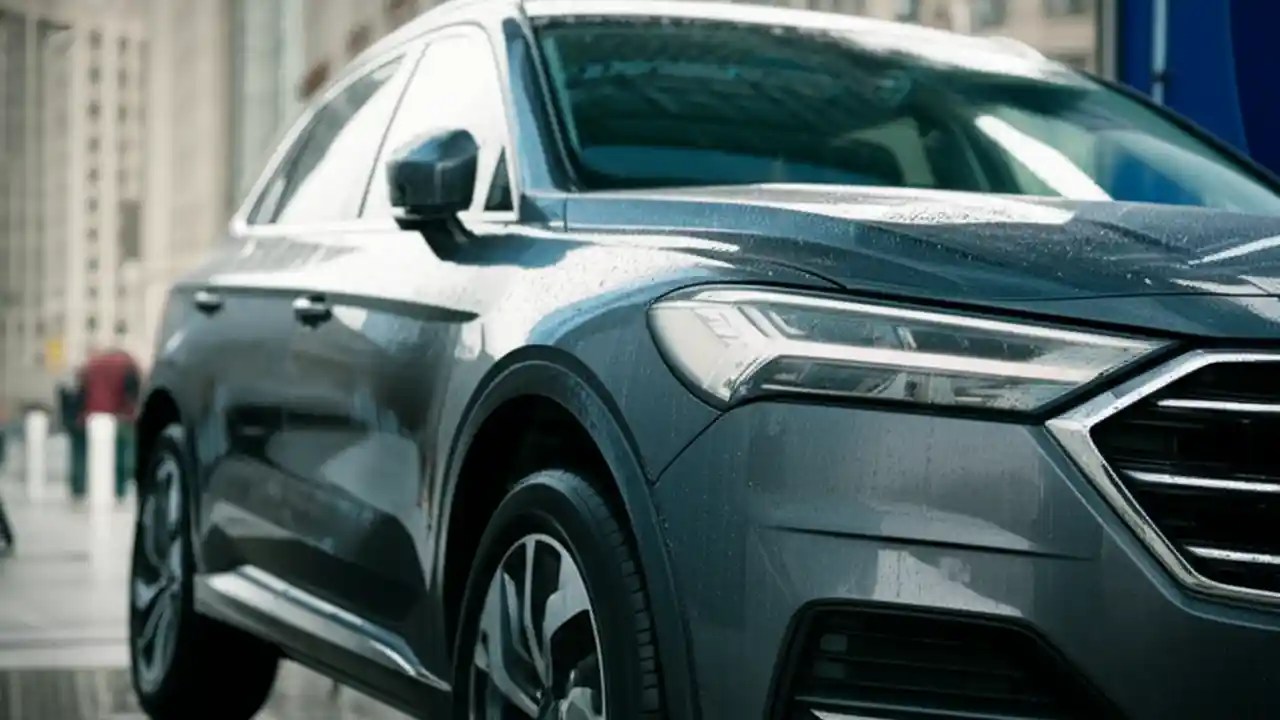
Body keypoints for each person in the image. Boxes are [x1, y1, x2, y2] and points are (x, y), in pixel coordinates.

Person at [78, 348, 142, 499]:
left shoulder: (91, 365)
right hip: (120, 416)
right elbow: (132, 389)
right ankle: (119, 490)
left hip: (92, 414)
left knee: (85, 454)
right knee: (122, 453)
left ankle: (81, 489)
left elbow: (81, 389)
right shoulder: (127, 364)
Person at [57, 374, 86, 499]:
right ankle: (79, 485)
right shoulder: (82, 393)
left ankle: (77, 486)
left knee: (76, 456)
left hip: (73, 426)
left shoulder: (65, 392)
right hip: (80, 426)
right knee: (79, 456)